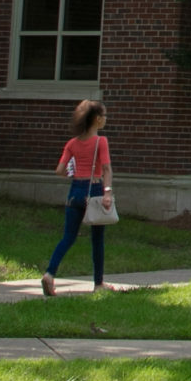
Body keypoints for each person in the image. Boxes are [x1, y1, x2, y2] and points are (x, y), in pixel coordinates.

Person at [42, 99, 113, 297]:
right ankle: (98, 283)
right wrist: (107, 192)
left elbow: (59, 170)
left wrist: (76, 175)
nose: (106, 119)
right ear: (97, 120)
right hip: (95, 190)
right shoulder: (101, 142)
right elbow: (106, 168)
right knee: (97, 239)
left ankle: (49, 274)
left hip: (75, 191)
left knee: (68, 237)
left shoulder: (72, 143)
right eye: (105, 116)